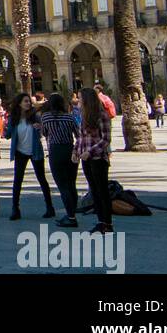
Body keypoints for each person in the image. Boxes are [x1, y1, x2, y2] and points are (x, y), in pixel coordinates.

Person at [7, 93, 56, 221]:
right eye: (25, 101)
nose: (28, 103)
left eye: (29, 101)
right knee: (17, 180)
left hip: (35, 151)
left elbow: (46, 132)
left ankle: (50, 208)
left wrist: (40, 127)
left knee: (42, 179)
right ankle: (15, 209)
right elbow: (7, 134)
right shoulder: (14, 118)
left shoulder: (36, 116)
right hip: (20, 152)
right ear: (19, 104)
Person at [75, 87, 113, 233]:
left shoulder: (101, 115)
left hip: (98, 158)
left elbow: (106, 139)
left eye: (80, 98)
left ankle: (107, 223)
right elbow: (80, 138)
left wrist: (89, 152)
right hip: (86, 159)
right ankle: (101, 221)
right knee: (94, 191)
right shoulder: (84, 116)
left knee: (101, 190)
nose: (78, 101)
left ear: (87, 100)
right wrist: (76, 152)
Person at [40, 93, 81, 228]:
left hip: (55, 151)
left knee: (62, 185)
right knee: (71, 183)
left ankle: (70, 216)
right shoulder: (69, 117)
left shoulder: (45, 117)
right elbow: (78, 134)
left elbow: (44, 133)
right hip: (69, 148)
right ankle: (72, 213)